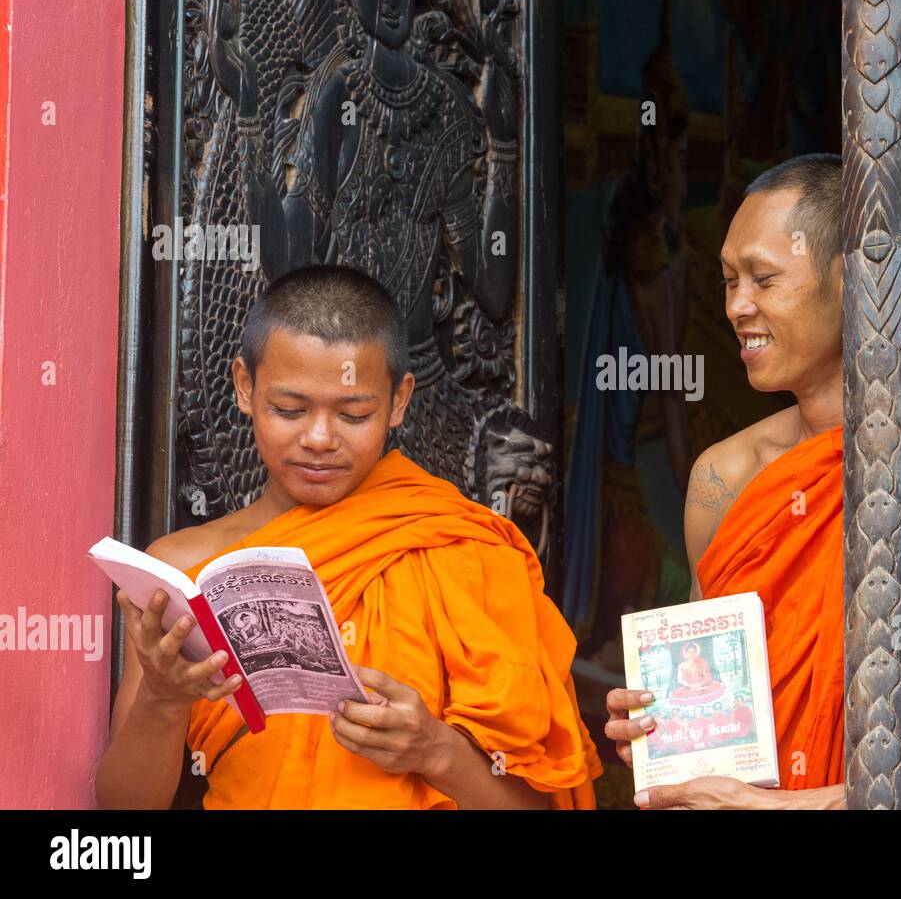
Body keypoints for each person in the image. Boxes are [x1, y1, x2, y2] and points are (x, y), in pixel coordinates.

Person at [95, 266, 600, 809]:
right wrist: (164, 699)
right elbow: (123, 809)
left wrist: (435, 751)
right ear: (245, 386)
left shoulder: (461, 549)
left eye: (354, 414)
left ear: (399, 400)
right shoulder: (182, 568)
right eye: (289, 409)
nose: (318, 439)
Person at [604, 153, 846, 809]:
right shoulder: (727, 474)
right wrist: (662, 729)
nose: (738, 306)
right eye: (728, 281)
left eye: (764, 279)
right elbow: (707, 702)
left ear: (853, 278)